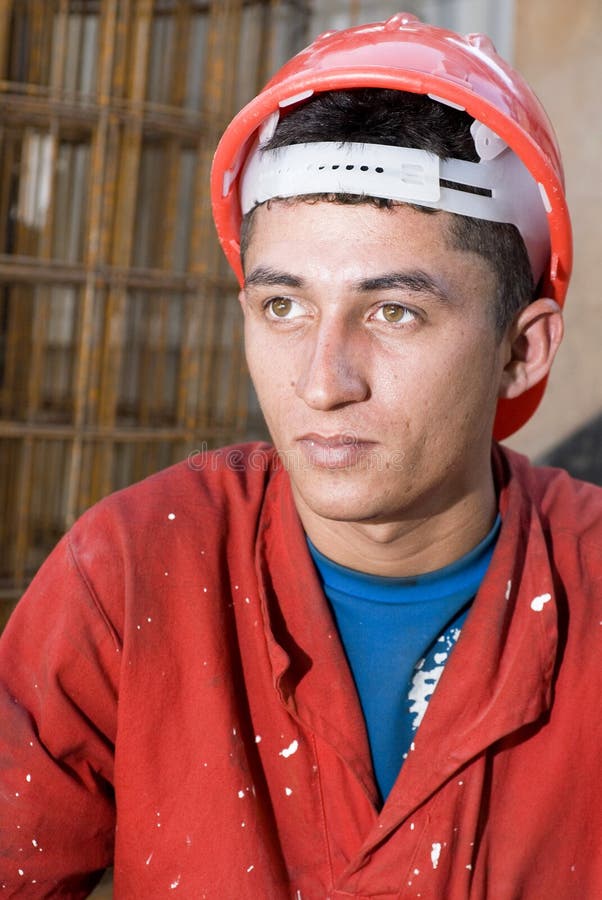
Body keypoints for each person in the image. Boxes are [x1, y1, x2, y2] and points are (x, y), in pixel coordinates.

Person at [1, 12, 600, 899]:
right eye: (283, 307)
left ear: (524, 350)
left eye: (394, 311)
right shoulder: (138, 570)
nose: (323, 383)